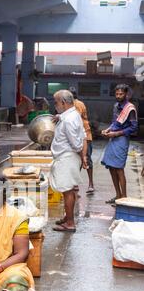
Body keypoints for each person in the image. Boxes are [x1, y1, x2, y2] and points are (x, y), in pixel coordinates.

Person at [50, 90, 88, 232]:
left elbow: (77, 144)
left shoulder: (68, 119)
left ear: (63, 102)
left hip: (67, 158)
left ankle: (70, 223)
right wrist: (60, 116)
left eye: (56, 102)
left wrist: (82, 156)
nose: (55, 105)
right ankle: (68, 217)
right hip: (68, 157)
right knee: (70, 189)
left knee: (67, 191)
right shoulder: (73, 114)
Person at [101, 84, 138, 204]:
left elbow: (133, 128)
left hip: (122, 140)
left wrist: (116, 134)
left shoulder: (130, 108)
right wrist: (108, 130)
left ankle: (124, 198)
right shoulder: (116, 106)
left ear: (126, 94)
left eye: (121, 94)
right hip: (113, 138)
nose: (118, 96)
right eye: (117, 94)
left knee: (119, 169)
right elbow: (114, 122)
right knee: (111, 167)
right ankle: (117, 195)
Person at [70, 87, 95, 194]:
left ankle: (91, 184)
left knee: (87, 159)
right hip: (76, 135)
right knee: (76, 160)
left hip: (85, 135)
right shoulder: (69, 106)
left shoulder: (78, 104)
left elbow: (76, 119)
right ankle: (75, 183)